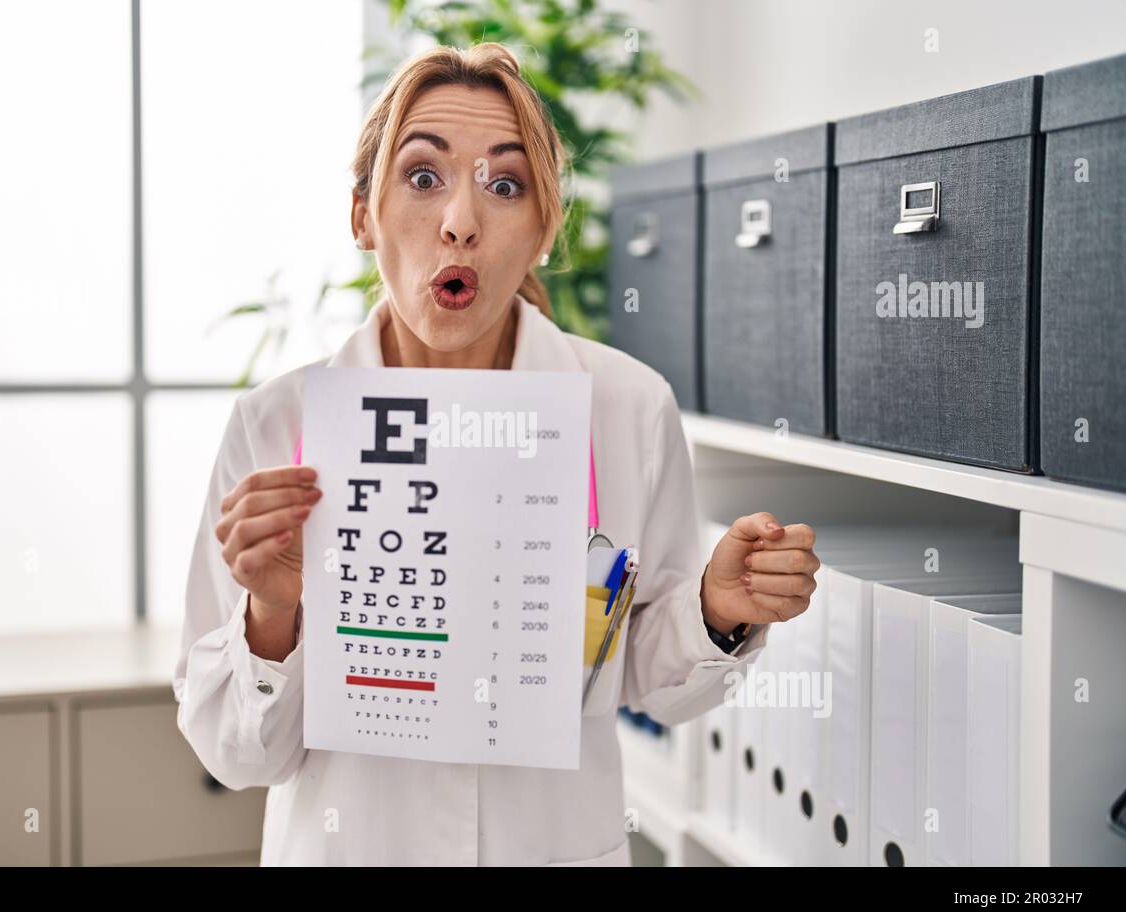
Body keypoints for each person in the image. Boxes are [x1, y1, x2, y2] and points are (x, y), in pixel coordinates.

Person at [173, 41, 819, 866]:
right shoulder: (273, 428)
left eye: (505, 185)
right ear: (362, 216)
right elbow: (237, 757)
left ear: (544, 230)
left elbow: (648, 686)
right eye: (422, 176)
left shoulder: (626, 407)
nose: (460, 222)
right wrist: (270, 618)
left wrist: (716, 608)